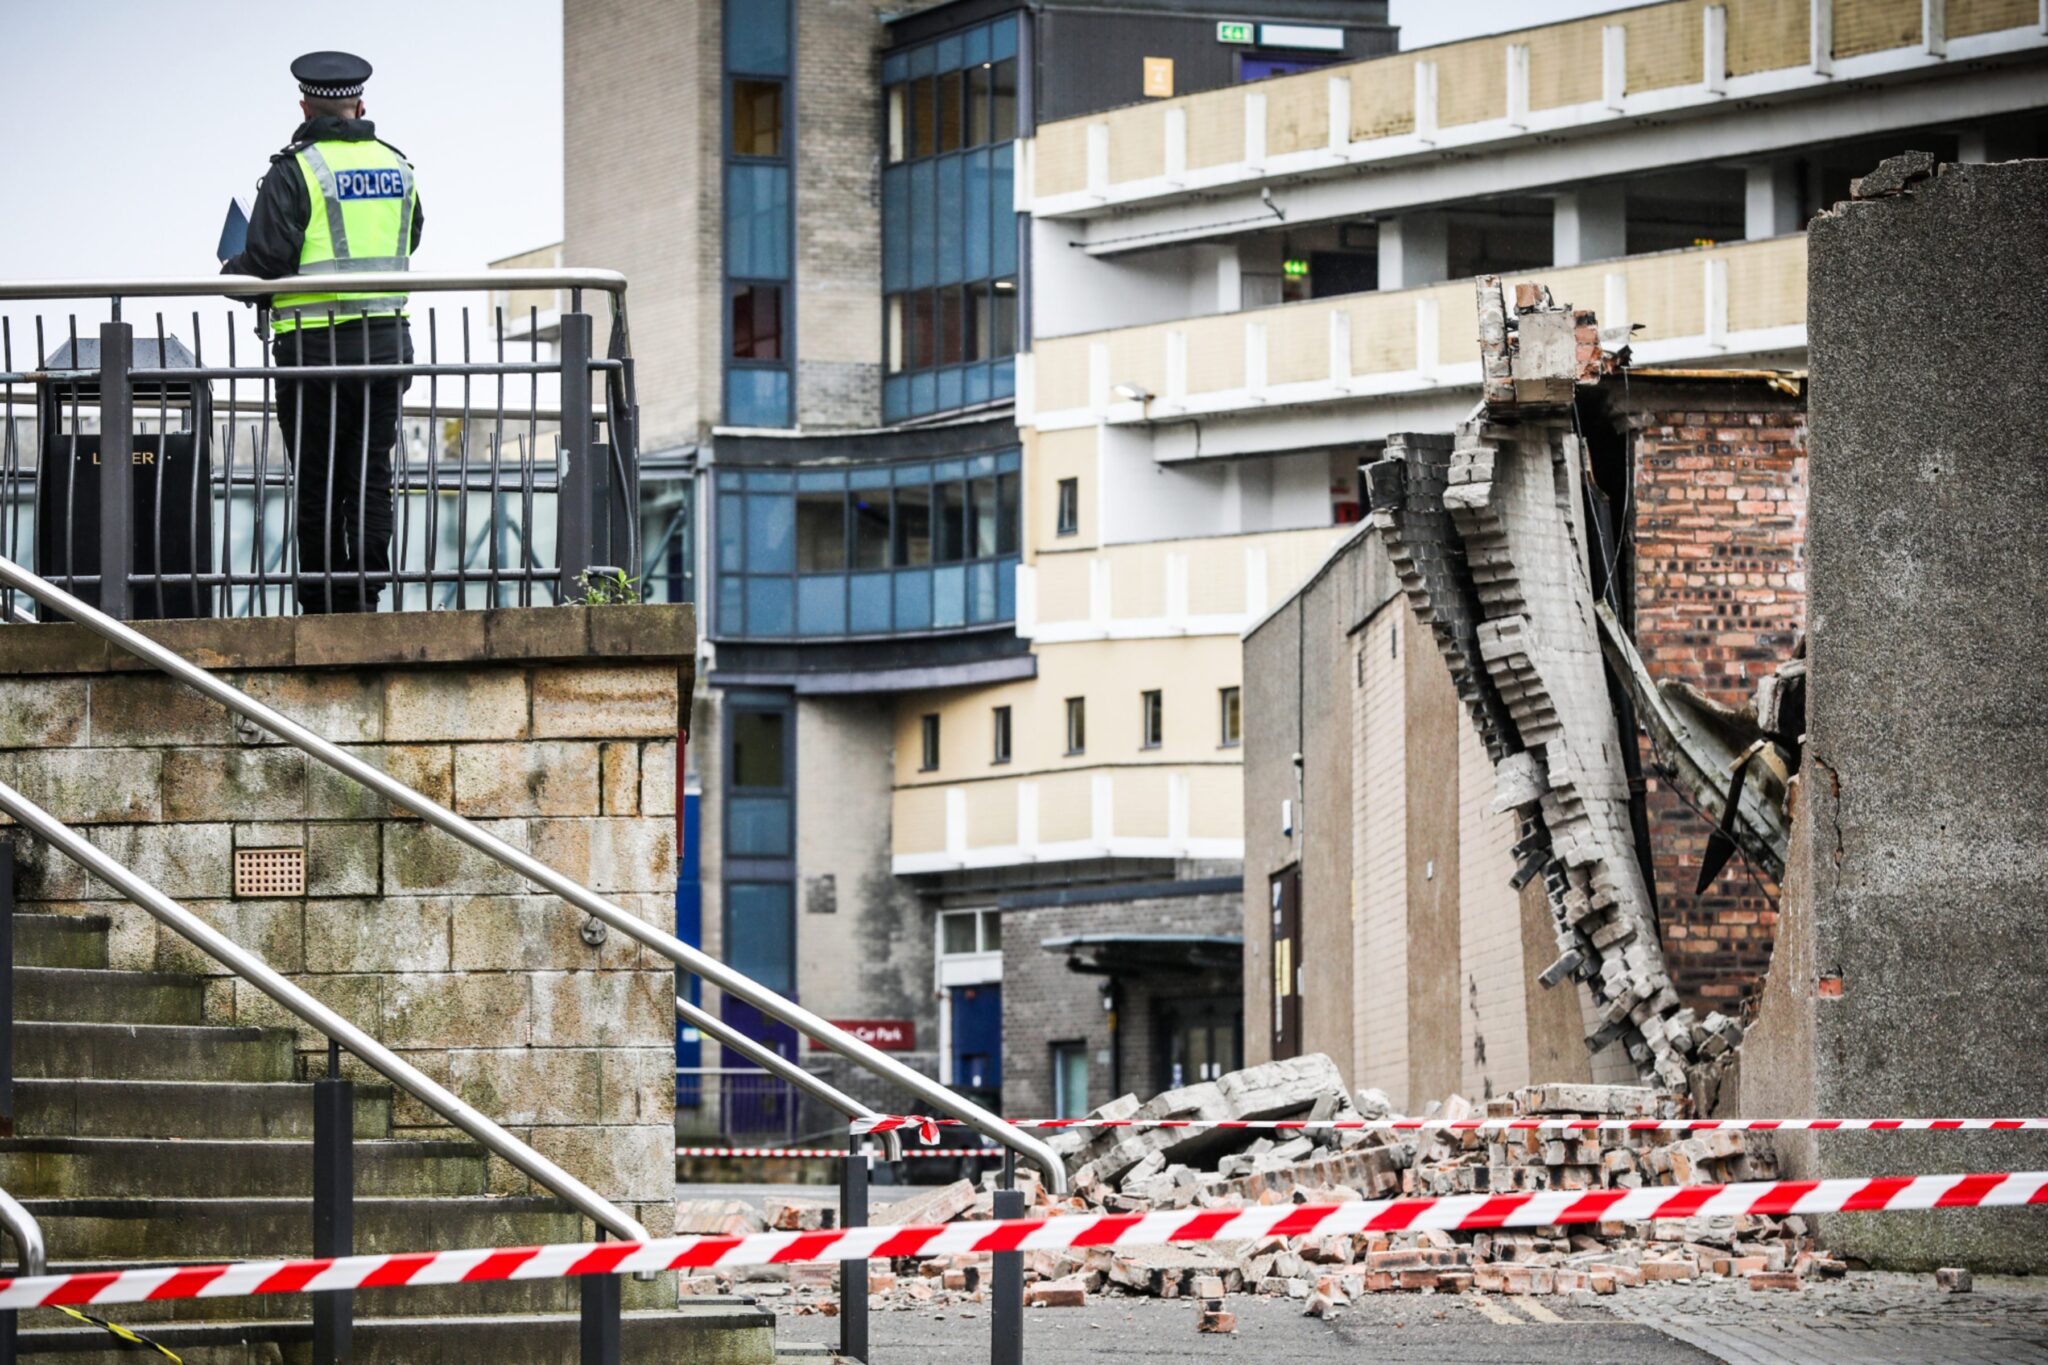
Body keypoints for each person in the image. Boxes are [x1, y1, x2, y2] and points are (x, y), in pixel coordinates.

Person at [222, 51, 423, 613]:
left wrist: (229, 272)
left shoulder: (295, 171)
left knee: (317, 477)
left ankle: (320, 599)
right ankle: (366, 594)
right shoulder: (399, 166)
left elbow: (269, 259)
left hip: (314, 348)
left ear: (305, 107)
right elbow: (411, 236)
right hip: (386, 345)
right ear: (361, 104)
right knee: (370, 474)